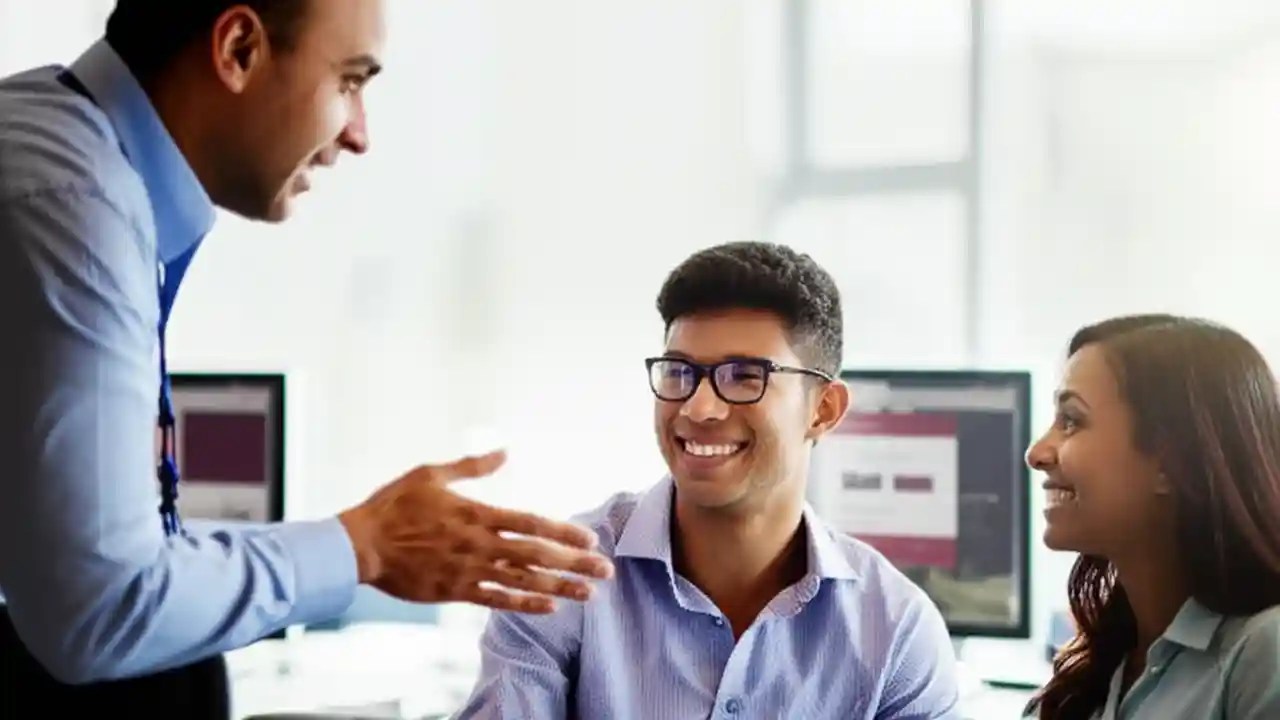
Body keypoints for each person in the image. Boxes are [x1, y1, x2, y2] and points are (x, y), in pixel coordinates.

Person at [0, 0, 613, 713]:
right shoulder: (71, 207)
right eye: (349, 81)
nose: (359, 135)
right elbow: (101, 606)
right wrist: (365, 549)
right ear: (237, 49)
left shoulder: (61, 148)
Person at [453, 241, 961, 719]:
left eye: (744, 377)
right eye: (679, 372)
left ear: (823, 410)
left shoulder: (895, 629)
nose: (698, 407)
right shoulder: (561, 580)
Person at [1023, 314, 1280, 720]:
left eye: (1071, 421)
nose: (1036, 453)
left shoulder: (1264, 652)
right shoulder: (1098, 666)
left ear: (1171, 460)